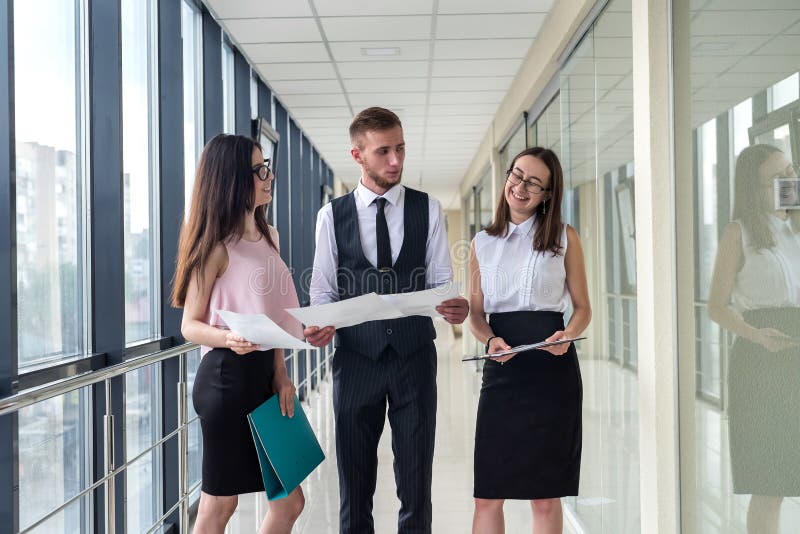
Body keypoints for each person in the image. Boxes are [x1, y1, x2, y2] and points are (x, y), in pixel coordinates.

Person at [304, 107, 469, 534]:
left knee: (416, 484)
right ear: (357, 155)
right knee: (354, 488)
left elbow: (440, 283)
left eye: (400, 149)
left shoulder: (426, 208)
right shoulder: (331, 216)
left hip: (414, 357)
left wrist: (453, 306)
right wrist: (320, 325)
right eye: (383, 151)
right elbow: (322, 289)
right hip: (356, 360)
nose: (395, 160)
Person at [172, 134, 325, 534]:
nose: (269, 176)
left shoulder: (270, 237)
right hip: (225, 379)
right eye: (260, 170)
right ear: (231, 180)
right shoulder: (215, 248)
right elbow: (190, 325)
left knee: (290, 500)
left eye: (267, 166)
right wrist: (228, 338)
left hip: (262, 378)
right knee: (220, 503)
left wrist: (282, 374)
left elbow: (273, 318)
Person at [468, 147, 591, 534]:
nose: (520, 187)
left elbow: (584, 307)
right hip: (502, 370)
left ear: (548, 194)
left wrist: (568, 336)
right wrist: (489, 341)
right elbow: (475, 313)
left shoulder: (564, 237)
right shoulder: (481, 244)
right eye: (516, 175)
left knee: (544, 494)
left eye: (533, 183)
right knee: (488, 493)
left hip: (552, 372)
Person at [707, 144, 800, 534]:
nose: (789, 181)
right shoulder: (739, 232)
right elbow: (717, 305)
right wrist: (755, 334)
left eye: (791, 170)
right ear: (754, 188)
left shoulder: (795, 228)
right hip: (762, 362)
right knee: (770, 485)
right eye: (777, 178)